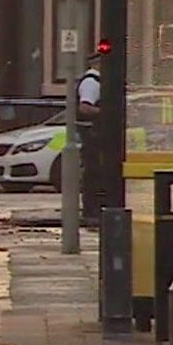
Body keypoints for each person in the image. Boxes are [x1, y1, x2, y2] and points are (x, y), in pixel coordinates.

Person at [77, 53, 103, 220]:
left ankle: (94, 209)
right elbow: (85, 107)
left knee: (96, 173)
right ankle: (91, 210)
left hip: (95, 134)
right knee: (93, 173)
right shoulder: (91, 82)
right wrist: (107, 113)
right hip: (92, 134)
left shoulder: (96, 81)